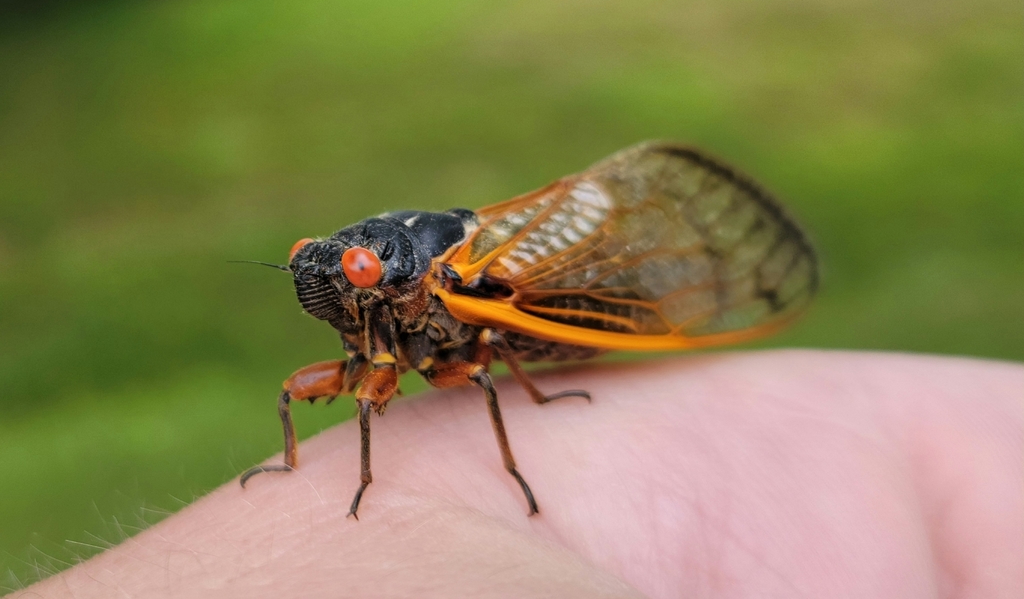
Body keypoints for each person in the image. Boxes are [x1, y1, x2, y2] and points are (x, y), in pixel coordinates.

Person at [14, 350, 1023, 598]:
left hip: (497, 321)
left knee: (490, 374)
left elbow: (474, 365)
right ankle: (306, 469)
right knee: (296, 393)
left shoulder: (427, 304)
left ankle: (519, 431)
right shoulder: (363, 341)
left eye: (350, 274)